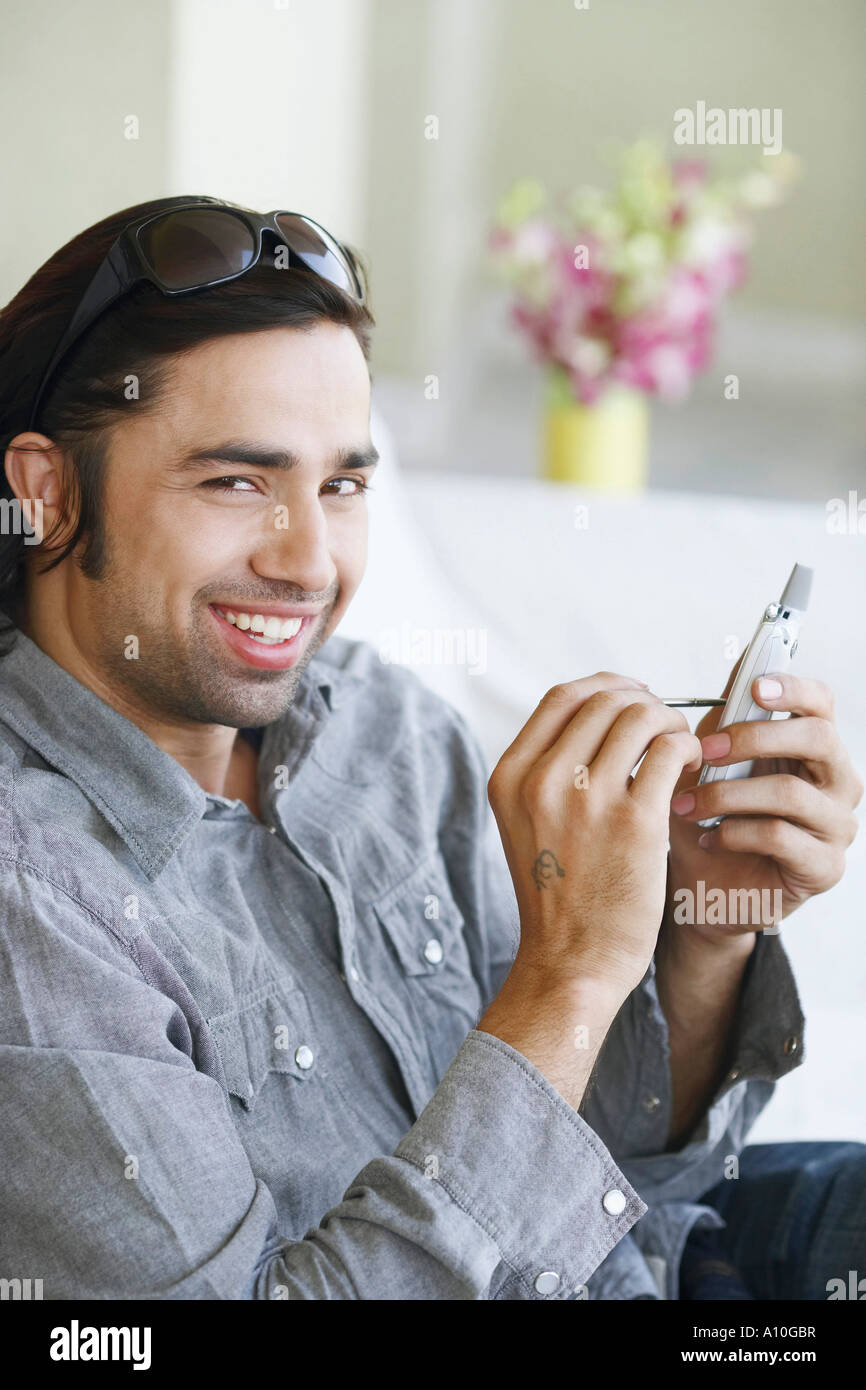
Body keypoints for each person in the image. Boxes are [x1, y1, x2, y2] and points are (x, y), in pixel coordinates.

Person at [0, 196, 861, 1301]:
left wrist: (703, 925)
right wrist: (567, 973)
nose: (309, 560)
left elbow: (614, 1171)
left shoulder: (379, 724)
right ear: (47, 489)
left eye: (342, 485)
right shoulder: (36, 900)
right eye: (237, 480)